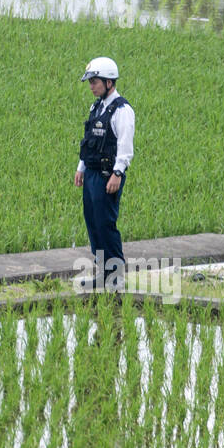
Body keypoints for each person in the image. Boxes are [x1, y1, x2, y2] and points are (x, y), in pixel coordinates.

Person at [75, 56, 135, 293]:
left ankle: (117, 276)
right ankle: (102, 273)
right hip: (90, 173)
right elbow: (89, 142)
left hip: (107, 176)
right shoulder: (96, 107)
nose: (91, 86)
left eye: (95, 82)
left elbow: (125, 146)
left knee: (106, 223)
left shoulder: (122, 110)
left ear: (109, 82)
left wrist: (117, 173)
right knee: (92, 222)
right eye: (90, 82)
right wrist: (81, 168)